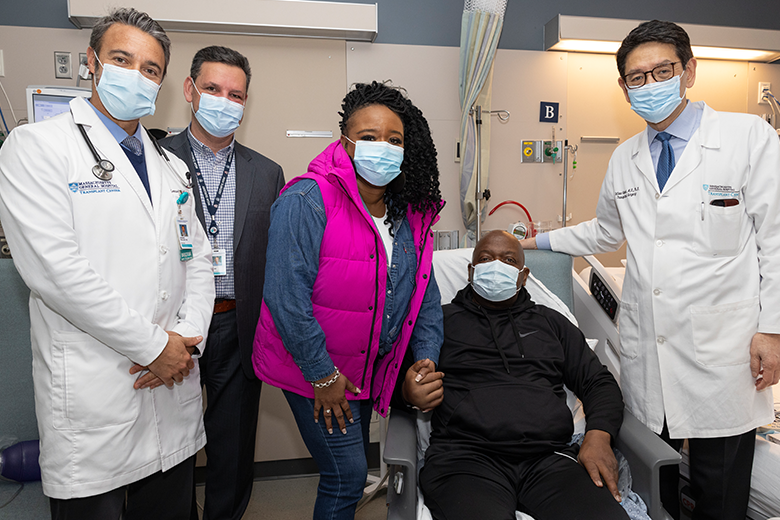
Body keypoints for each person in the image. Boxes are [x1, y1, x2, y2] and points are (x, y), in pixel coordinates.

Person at [522, 20, 780, 520]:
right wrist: (535, 241)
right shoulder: (625, 158)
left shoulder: (747, 137)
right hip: (648, 348)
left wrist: (773, 329)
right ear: (623, 87)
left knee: (720, 494)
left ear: (689, 71)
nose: (649, 84)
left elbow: (776, 239)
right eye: (636, 77)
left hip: (723, 349)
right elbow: (604, 232)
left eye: (662, 70)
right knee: (650, 483)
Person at [0, 7, 215, 520]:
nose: (136, 76)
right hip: (98, 393)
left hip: (172, 380)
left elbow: (199, 260)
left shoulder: (172, 167)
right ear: (92, 62)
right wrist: (152, 346)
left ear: (162, 82)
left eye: (150, 69)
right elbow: (57, 273)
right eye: (122, 59)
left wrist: (184, 340)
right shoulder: (37, 147)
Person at [253, 81, 445, 519]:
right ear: (344, 142)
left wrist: (426, 359)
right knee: (345, 476)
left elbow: (424, 296)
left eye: (394, 140)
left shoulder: (408, 214)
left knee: (349, 472)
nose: (383, 148)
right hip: (313, 369)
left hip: (364, 371)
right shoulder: (306, 199)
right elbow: (286, 300)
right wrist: (323, 376)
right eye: (369, 138)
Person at [419, 230, 627, 520]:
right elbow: (399, 380)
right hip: (465, 461)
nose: (496, 266)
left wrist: (598, 435)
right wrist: (408, 393)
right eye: (485, 258)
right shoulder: (438, 324)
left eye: (508, 260)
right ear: (471, 271)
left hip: (548, 460)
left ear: (523, 275)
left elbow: (598, 383)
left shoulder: (551, 323)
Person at [159, 45, 285, 520]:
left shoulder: (267, 173)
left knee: (232, 442)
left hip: (237, 324)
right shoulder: (153, 158)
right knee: (170, 439)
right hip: (171, 327)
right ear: (190, 91)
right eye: (212, 89)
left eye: (236, 94)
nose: (223, 101)